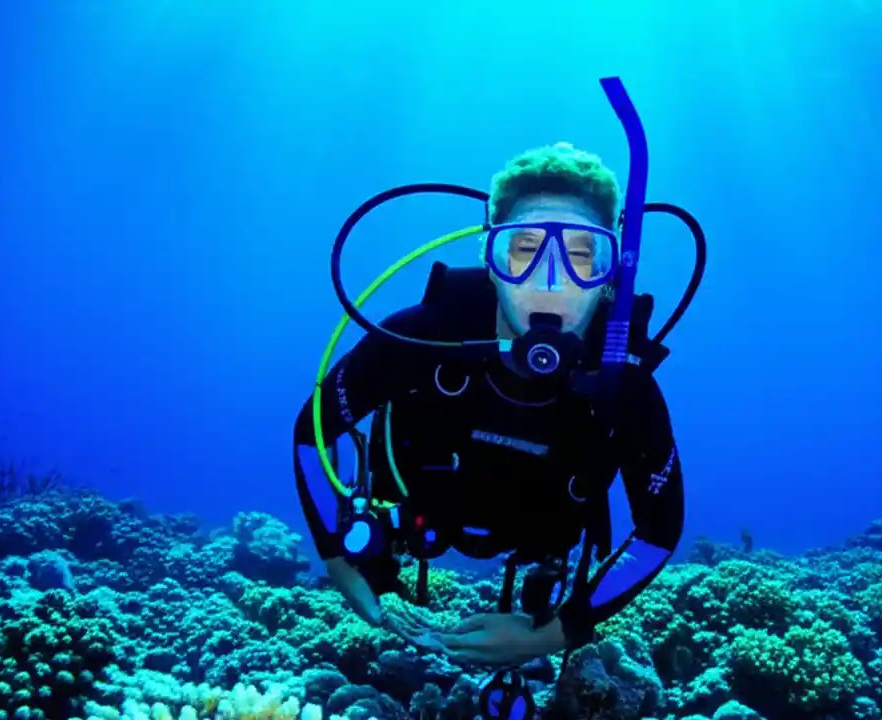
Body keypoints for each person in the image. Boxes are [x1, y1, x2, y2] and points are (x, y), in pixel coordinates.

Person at [292, 140, 688, 671]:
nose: (551, 281)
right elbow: (310, 431)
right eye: (524, 249)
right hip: (415, 518)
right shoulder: (421, 338)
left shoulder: (625, 390)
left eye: (582, 255)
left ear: (612, 275)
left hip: (542, 550)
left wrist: (558, 632)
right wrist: (340, 561)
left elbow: (659, 532)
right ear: (491, 259)